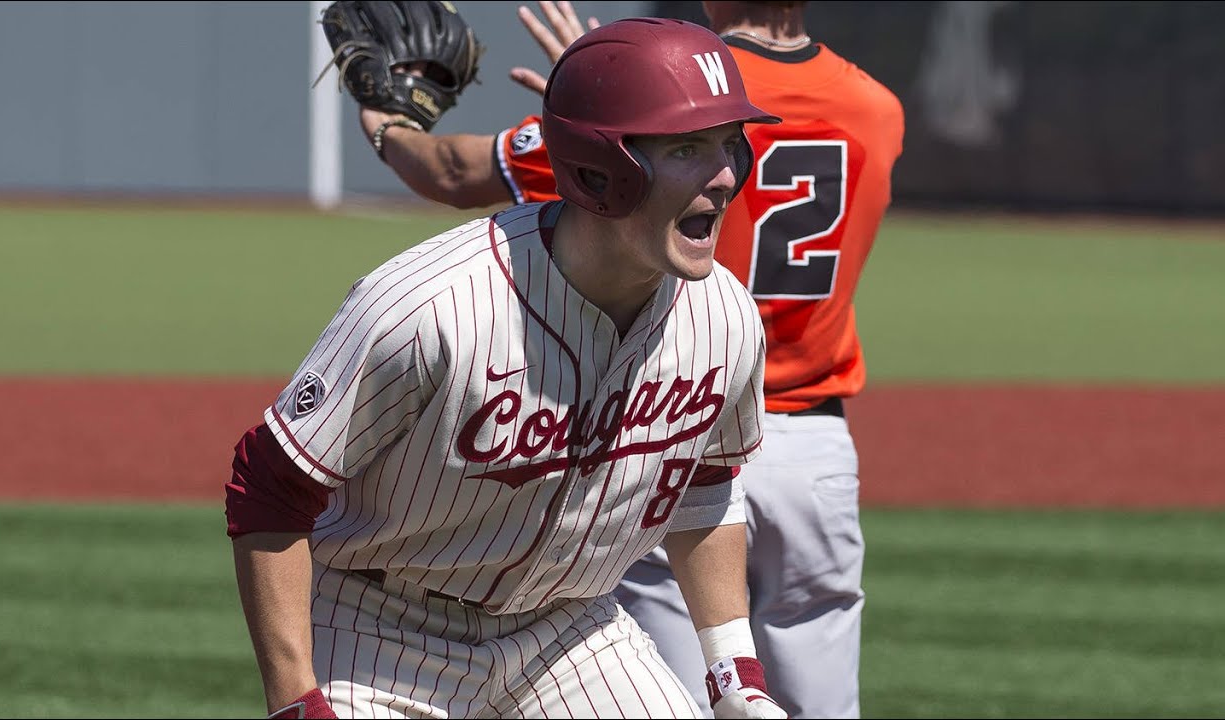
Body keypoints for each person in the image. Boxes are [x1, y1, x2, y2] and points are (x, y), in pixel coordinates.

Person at [228, 17, 792, 720]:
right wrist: (294, 699)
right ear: (598, 170)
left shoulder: (725, 318)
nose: (726, 175)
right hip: (381, 629)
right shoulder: (429, 306)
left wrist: (732, 667)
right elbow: (271, 485)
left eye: (728, 144)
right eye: (687, 148)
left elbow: (704, 480)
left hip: (571, 631)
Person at [359, 3, 905, 717]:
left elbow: (454, 174)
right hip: (817, 456)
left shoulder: (671, 100)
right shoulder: (877, 107)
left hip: (670, 423)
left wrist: (388, 119)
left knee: (672, 698)